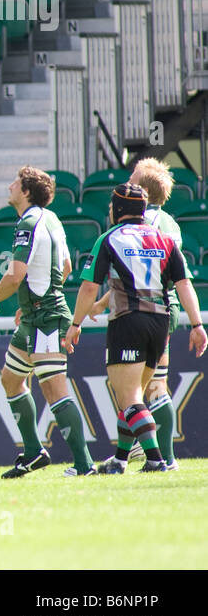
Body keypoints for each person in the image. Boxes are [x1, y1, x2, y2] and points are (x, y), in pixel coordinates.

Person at [65, 182, 208, 473]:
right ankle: (119, 459)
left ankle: (156, 459)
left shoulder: (110, 238)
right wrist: (197, 324)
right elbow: (183, 285)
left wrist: (76, 323)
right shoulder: (163, 239)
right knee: (134, 396)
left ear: (118, 208)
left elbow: (89, 287)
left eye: (110, 205)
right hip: (160, 323)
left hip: (128, 321)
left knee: (128, 397)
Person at [0, 167, 94, 477]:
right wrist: (33, 298)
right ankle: (33, 452)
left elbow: (15, 275)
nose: (10, 185)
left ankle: (84, 465)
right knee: (10, 379)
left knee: (55, 392)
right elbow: (67, 265)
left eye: (15, 182)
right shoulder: (51, 219)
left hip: (46, 318)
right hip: (36, 314)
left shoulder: (28, 222)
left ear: (27, 191)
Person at [87, 159, 186, 469]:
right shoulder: (170, 222)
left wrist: (102, 302)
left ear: (140, 190)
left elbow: (140, 273)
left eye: (132, 178)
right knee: (140, 390)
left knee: (150, 389)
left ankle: (163, 457)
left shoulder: (145, 226)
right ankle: (121, 457)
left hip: (144, 309)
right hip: (164, 308)